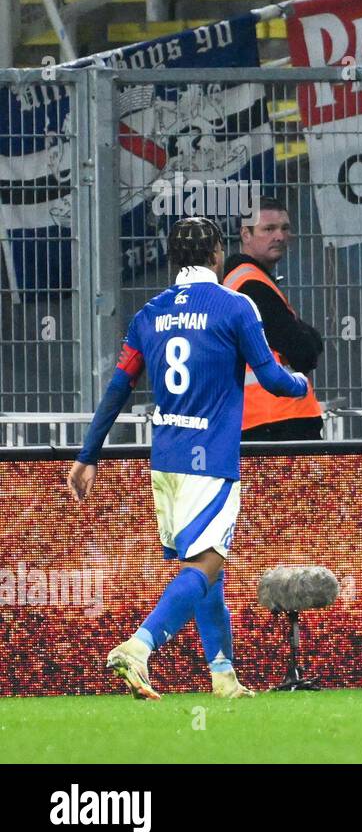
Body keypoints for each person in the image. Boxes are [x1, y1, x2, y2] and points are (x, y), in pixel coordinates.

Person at [66, 217, 309, 699]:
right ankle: (139, 646)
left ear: (174, 259)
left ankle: (223, 675)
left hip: (167, 459)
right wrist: (300, 381)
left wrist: (88, 454)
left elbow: (119, 386)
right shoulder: (234, 306)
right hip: (211, 460)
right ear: (218, 254)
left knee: (205, 567)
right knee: (206, 563)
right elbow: (275, 379)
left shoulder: (149, 313)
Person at [222, 197, 326, 441]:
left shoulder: (243, 280)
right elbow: (302, 351)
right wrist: (309, 337)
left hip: (259, 418)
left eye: (285, 228)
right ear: (245, 234)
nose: (279, 236)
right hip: (278, 419)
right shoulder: (251, 285)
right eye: (268, 229)